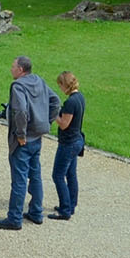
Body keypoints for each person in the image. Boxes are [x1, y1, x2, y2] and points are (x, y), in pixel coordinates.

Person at [0, 54, 55, 230]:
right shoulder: (39, 81)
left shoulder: (18, 86)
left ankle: (14, 218)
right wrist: (45, 122)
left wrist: (21, 134)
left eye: (13, 67)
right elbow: (55, 101)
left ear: (20, 70)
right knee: (35, 176)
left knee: (19, 180)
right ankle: (36, 212)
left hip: (24, 140)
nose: (11, 69)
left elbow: (20, 112)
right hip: (37, 138)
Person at [48, 70, 86, 220]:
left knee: (57, 175)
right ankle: (71, 204)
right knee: (71, 174)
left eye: (60, 85)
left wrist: (54, 114)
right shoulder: (80, 97)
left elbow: (64, 124)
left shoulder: (70, 102)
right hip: (76, 140)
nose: (60, 89)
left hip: (68, 142)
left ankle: (65, 209)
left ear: (65, 85)